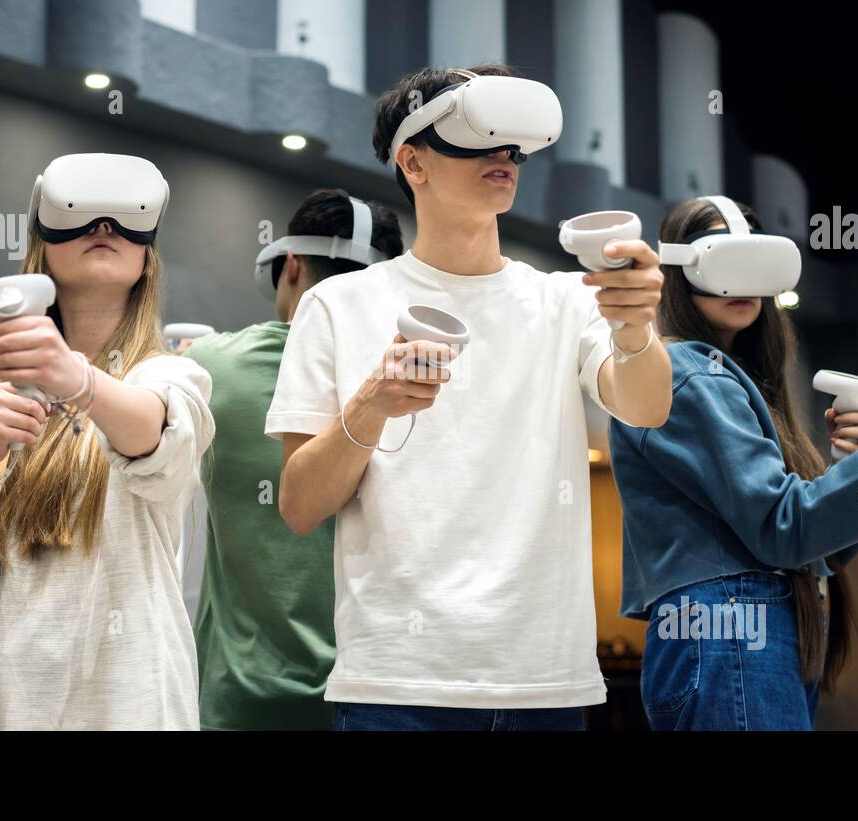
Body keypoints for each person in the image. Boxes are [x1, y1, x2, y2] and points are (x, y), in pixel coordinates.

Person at [265, 65, 673, 731]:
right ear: (412, 161)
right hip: (397, 684)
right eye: (477, 137)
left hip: (543, 685)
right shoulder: (338, 305)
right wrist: (372, 403)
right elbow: (300, 504)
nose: (503, 154)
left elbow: (647, 407)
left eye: (512, 144)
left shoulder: (564, 300)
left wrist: (634, 327)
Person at [609, 195, 858, 730]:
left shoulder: (722, 376)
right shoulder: (687, 372)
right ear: (680, 267)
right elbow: (784, 529)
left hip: (741, 634)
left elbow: (810, 547)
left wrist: (855, 469)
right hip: (730, 631)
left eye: (756, 259)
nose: (744, 280)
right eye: (723, 258)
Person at [0, 153, 213, 730]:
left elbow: (158, 438)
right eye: (81, 218)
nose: (104, 228)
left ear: (147, 257)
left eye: (124, 223)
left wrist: (77, 380)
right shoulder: (0, 405)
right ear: (42, 249)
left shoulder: (168, 377)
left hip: (125, 704)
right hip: (3, 702)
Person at [187, 189, 403, 730]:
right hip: (376, 695)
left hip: (239, 700)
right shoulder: (416, 386)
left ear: (290, 266)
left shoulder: (210, 367)